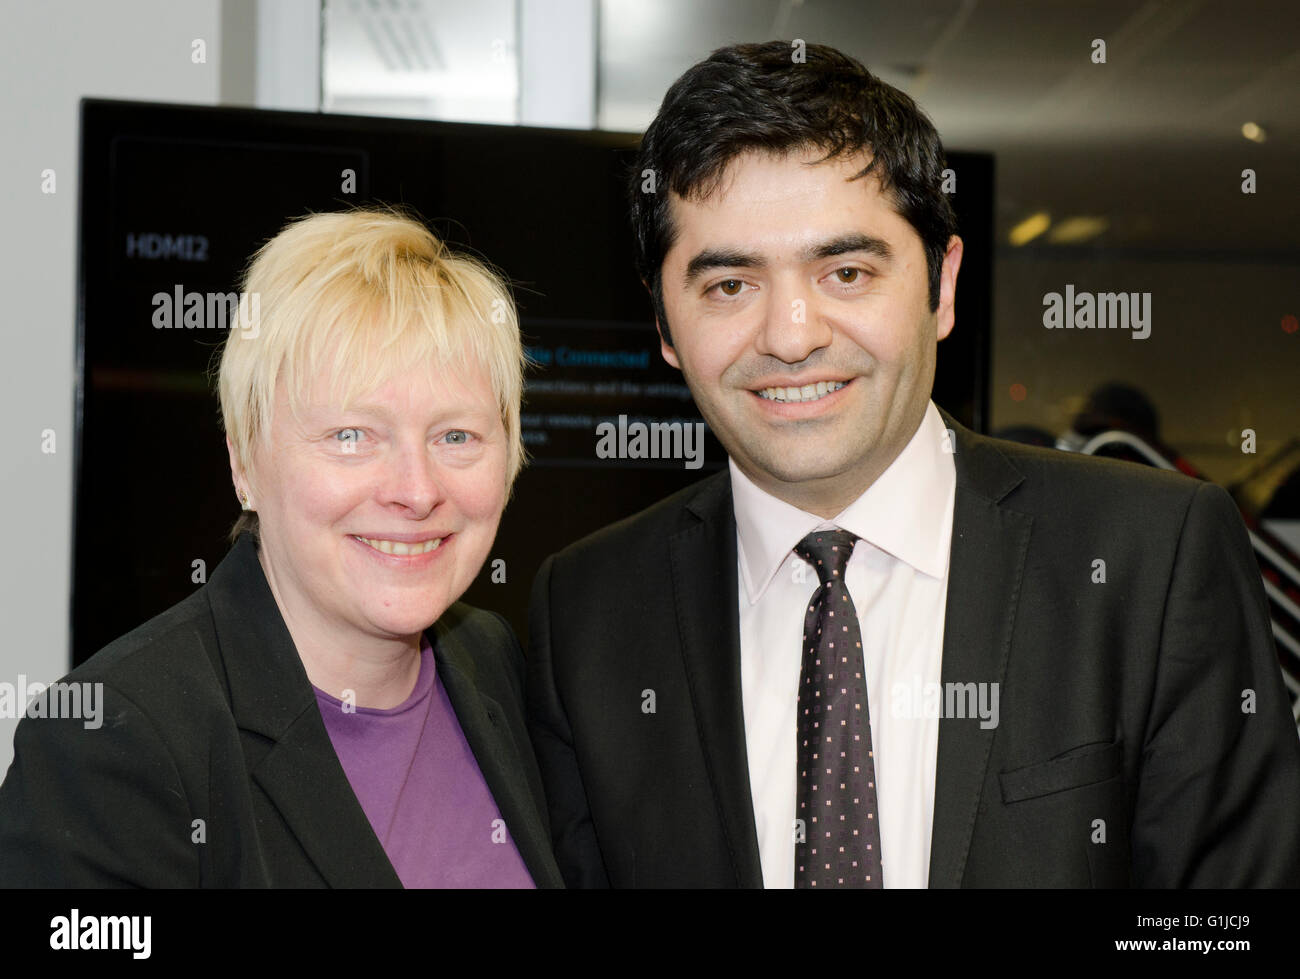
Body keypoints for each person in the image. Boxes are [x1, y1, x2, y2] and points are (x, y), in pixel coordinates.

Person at [525, 42, 1300, 888]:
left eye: (846, 271)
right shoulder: (587, 613)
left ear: (942, 286)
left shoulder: (1153, 555)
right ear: (666, 326)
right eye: (729, 286)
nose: (791, 334)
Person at [0, 208, 562, 888]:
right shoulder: (110, 742)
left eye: (456, 437)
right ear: (244, 461)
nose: (417, 491)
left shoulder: (490, 658)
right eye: (352, 435)